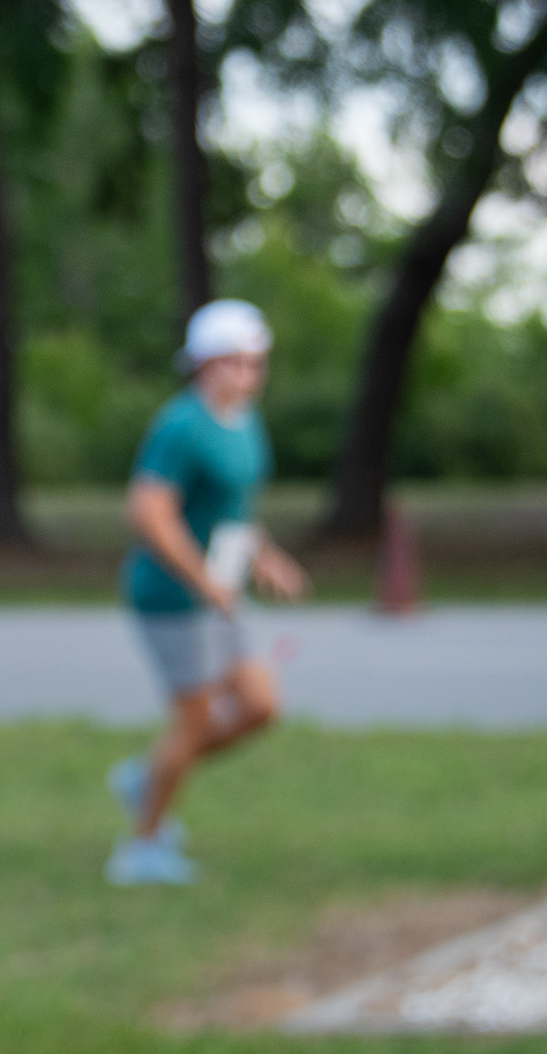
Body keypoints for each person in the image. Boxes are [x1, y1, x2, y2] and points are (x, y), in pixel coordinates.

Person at [105, 299, 309, 886]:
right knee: (192, 724)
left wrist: (265, 556)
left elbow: (232, 510)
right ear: (201, 364)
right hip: (172, 599)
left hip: (219, 595)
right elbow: (148, 512)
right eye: (231, 363)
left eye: (254, 363)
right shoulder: (180, 426)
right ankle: (140, 849)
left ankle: (147, 780)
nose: (244, 375)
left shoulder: (245, 420)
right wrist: (204, 581)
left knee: (261, 707)